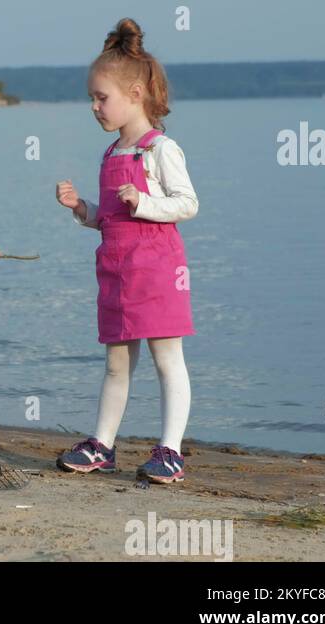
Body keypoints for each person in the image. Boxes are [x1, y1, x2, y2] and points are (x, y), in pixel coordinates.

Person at [55, 18, 199, 484]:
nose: (95, 107)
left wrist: (146, 202)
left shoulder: (160, 149)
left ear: (135, 94)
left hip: (157, 269)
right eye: (92, 99)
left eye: (102, 98)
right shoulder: (111, 152)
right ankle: (102, 445)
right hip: (116, 270)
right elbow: (110, 218)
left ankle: (170, 450)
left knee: (166, 357)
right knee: (117, 362)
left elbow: (188, 203)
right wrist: (82, 208)